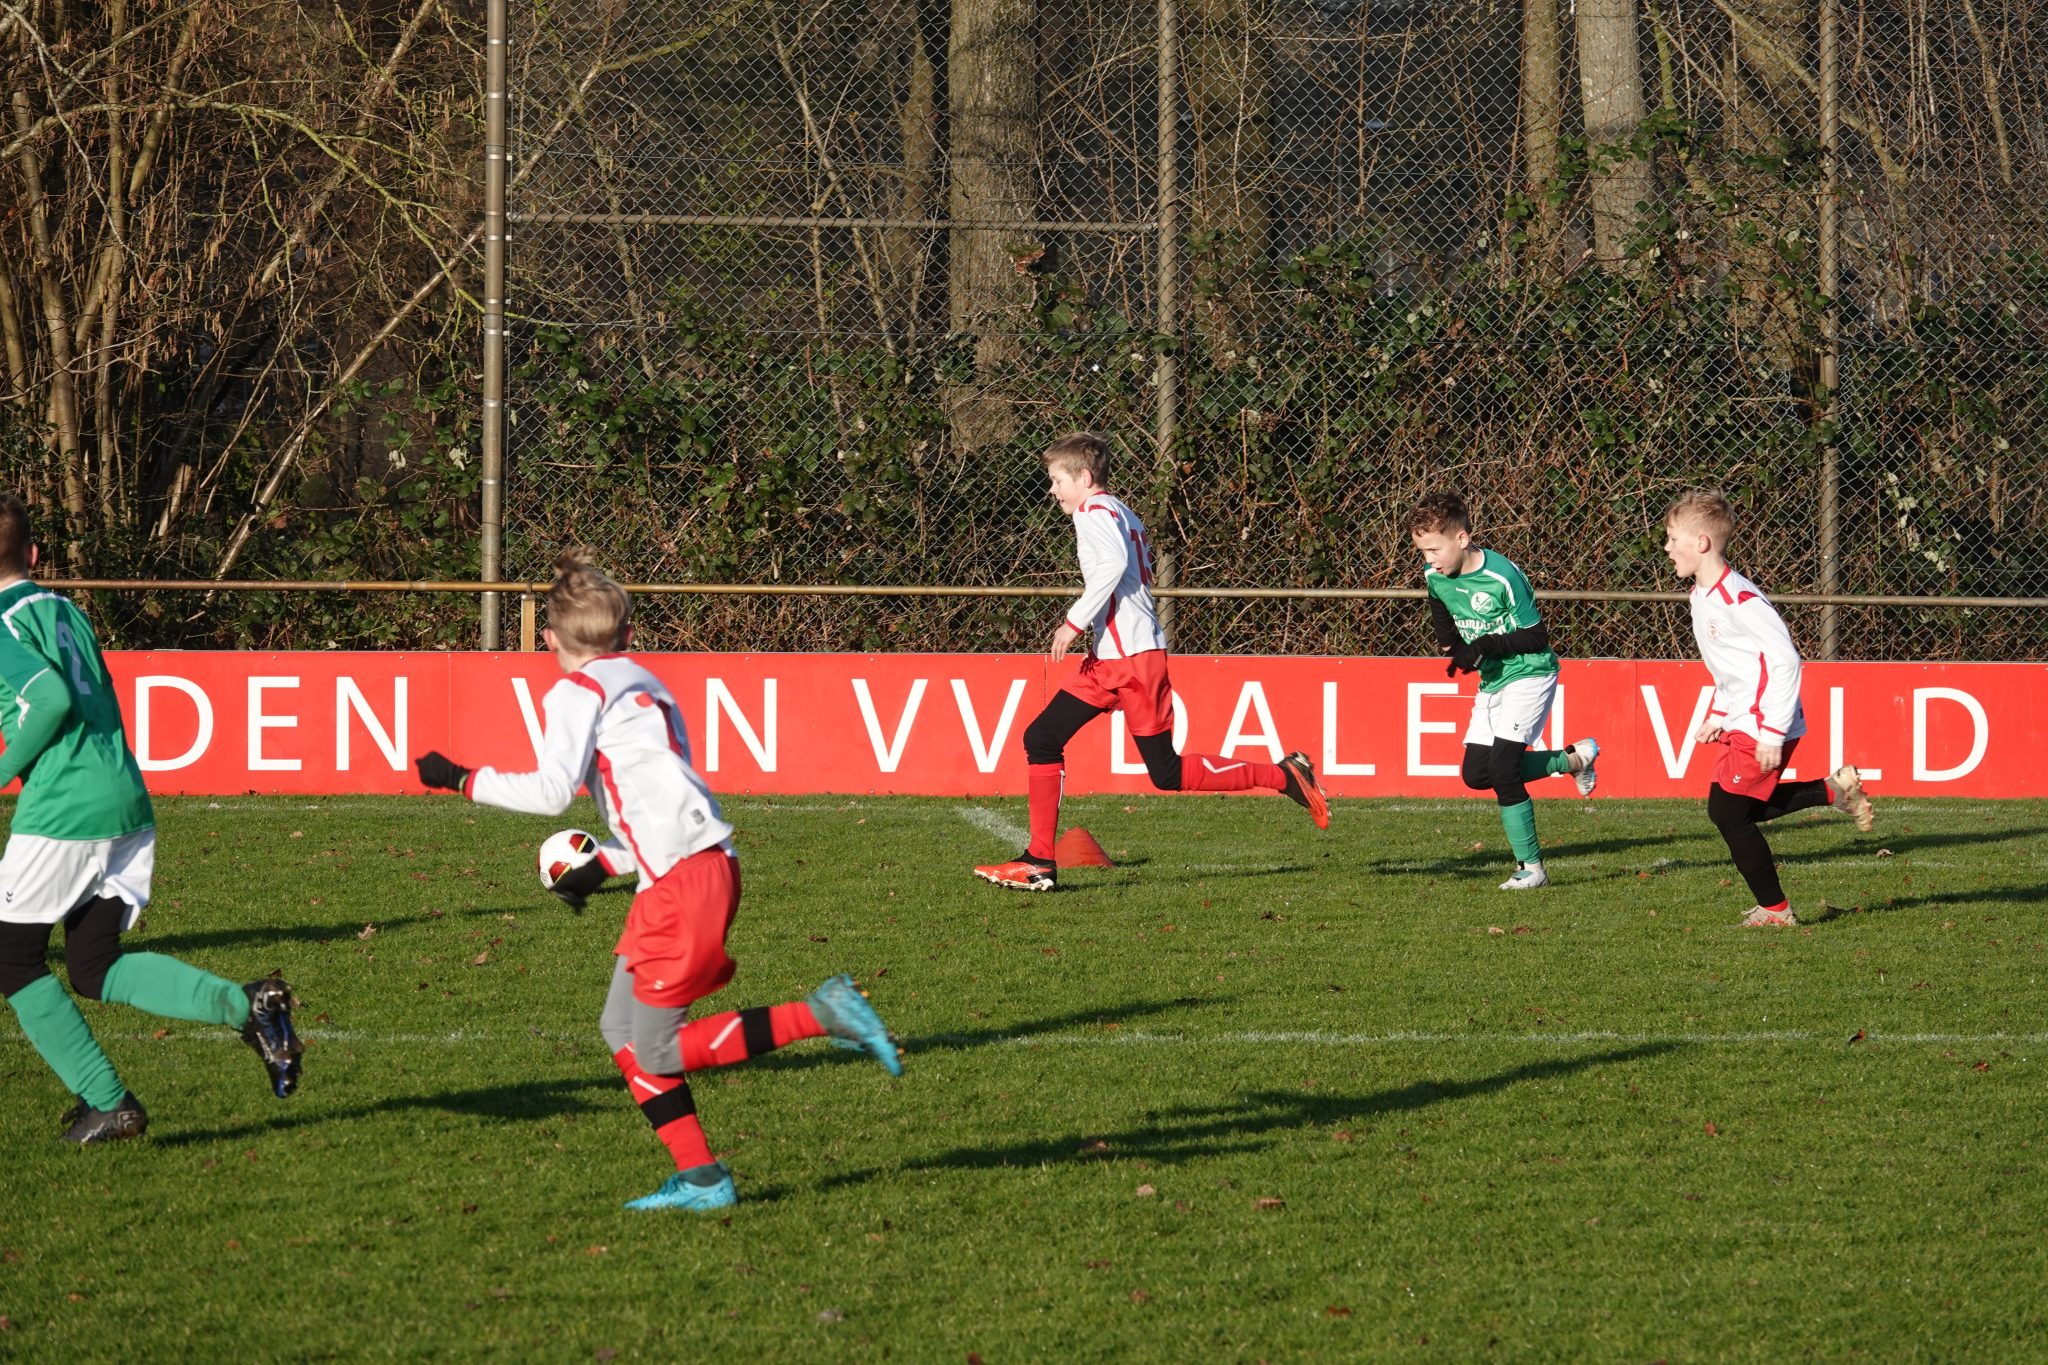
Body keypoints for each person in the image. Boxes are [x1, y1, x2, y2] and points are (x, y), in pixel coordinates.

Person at [412, 549, 903, 1212]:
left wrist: (461, 778)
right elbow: (660, 802)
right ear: (629, 635)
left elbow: (553, 792)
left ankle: (820, 1013)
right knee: (621, 1028)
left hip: (682, 883)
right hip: (690, 870)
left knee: (658, 1048)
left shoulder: (576, 692)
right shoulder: (645, 680)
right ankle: (703, 1178)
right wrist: (604, 863)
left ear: (550, 639)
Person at [0, 493, 300, 1144]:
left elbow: (47, 698)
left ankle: (109, 1102)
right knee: (92, 962)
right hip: (124, 796)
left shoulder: (0, 622)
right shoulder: (64, 610)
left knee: (13, 958)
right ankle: (244, 1003)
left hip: (64, 807)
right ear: (34, 554)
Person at [973, 432, 1329, 893]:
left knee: (1166, 773)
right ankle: (1040, 859)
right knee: (1042, 737)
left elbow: (1112, 566)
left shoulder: (1092, 511)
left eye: (1057, 480)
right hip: (1112, 660)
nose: (1053, 490)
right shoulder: (1121, 509)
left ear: (1084, 477)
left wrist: (1072, 622)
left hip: (1131, 660)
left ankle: (1283, 775)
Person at [1663, 491, 1874, 927]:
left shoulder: (1740, 599)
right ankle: (1833, 792)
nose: (1667, 548)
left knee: (1726, 813)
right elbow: (1733, 667)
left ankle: (1776, 911)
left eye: (1672, 538)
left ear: (1701, 542)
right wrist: (1719, 714)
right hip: (1744, 718)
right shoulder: (1700, 596)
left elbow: (1784, 660)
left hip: (1763, 722)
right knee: (1740, 810)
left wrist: (1772, 731)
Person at [1408, 492, 1599, 890]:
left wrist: (1486, 646)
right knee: (1476, 775)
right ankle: (1573, 760)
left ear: (1461, 539)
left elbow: (1536, 636)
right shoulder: (1435, 576)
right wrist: (1457, 651)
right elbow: (1442, 613)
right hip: (1494, 679)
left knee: (1503, 770)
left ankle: (1532, 868)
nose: (1429, 560)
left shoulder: (1504, 576)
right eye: (1422, 551)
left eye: (1434, 549)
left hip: (1530, 672)